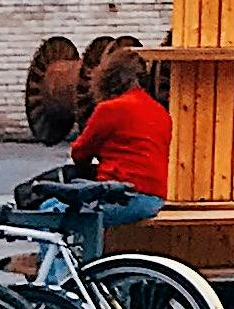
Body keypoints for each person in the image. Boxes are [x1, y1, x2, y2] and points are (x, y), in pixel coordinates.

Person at [66, 43, 169, 224]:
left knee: (50, 210)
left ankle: (68, 253)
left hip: (124, 196)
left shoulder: (110, 109)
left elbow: (79, 152)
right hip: (155, 199)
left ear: (107, 80)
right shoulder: (160, 111)